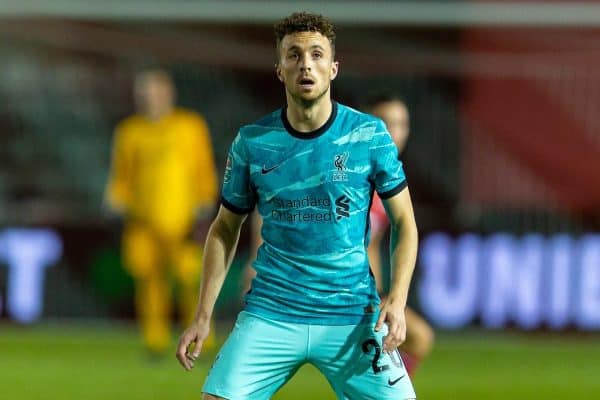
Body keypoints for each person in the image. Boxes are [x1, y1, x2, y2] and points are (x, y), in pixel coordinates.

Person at [176, 12, 418, 400]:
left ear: (333, 68)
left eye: (317, 54)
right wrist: (203, 317)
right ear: (279, 70)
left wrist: (399, 299)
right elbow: (224, 228)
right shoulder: (252, 143)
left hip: (352, 316)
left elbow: (405, 222)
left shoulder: (369, 135)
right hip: (272, 313)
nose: (306, 63)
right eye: (294, 55)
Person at [105, 69, 218, 356]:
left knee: (191, 279)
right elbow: (122, 175)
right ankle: (154, 341)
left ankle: (201, 339)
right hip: (142, 220)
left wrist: (206, 201)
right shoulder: (129, 131)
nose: (149, 99)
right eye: (143, 94)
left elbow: (204, 168)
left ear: (169, 94)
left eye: (154, 92)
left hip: (183, 220)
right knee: (148, 281)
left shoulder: (190, 126)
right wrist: (115, 198)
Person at [365, 92, 434, 375]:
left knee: (416, 339)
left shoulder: (389, 180)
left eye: (401, 124)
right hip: (341, 289)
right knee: (418, 338)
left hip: (367, 291)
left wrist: (384, 293)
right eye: (385, 123)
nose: (394, 132)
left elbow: (374, 241)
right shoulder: (352, 173)